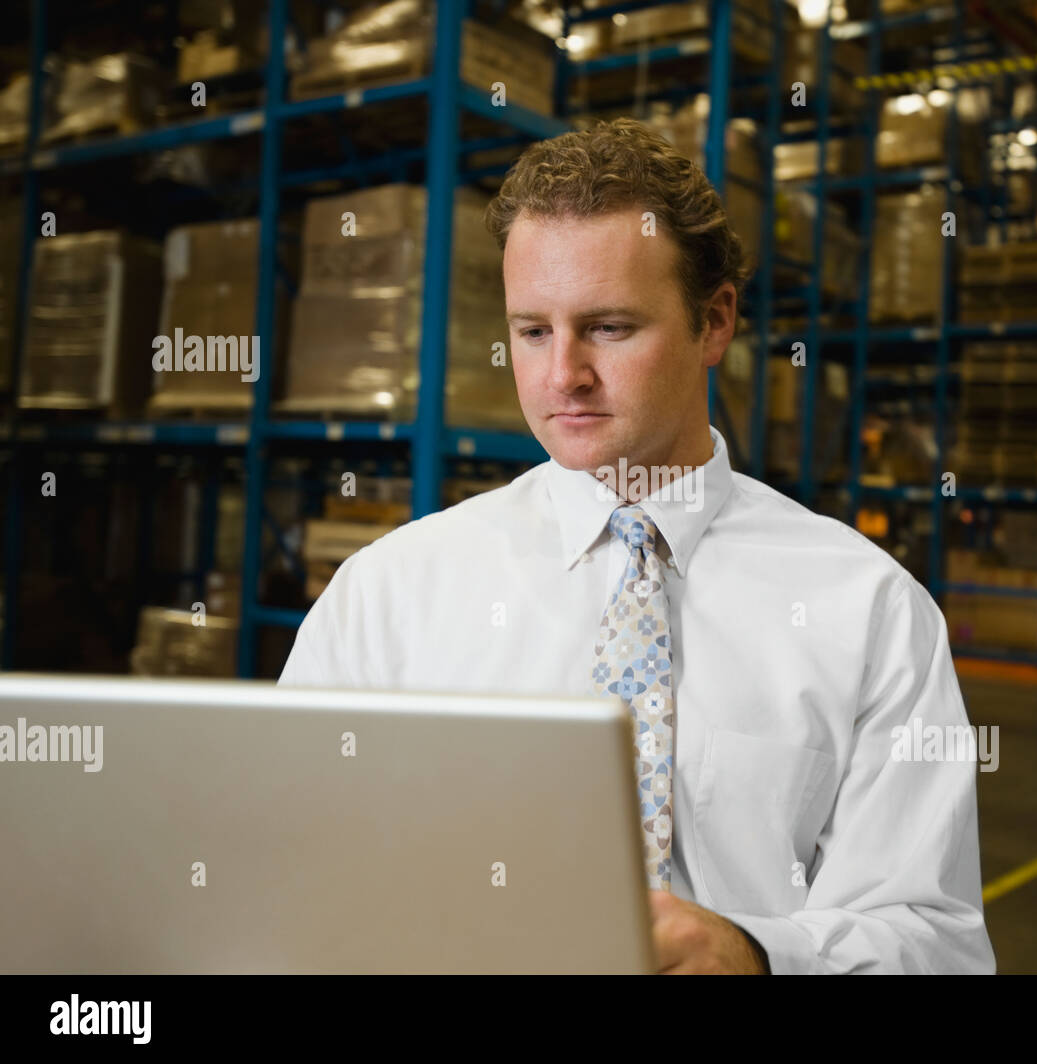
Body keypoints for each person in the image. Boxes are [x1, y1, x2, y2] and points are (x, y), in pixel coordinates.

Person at [280, 117, 996, 975]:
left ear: (715, 322)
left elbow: (936, 943)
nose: (561, 377)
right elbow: (291, 875)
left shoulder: (870, 611)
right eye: (532, 331)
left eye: (610, 328)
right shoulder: (389, 596)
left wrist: (758, 956)